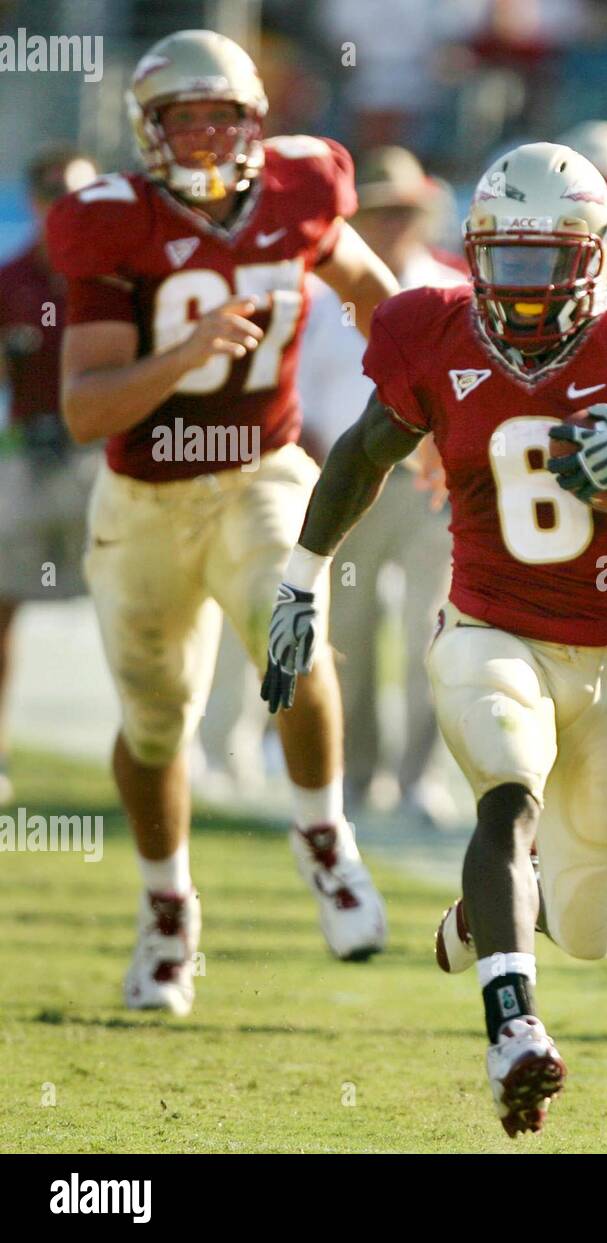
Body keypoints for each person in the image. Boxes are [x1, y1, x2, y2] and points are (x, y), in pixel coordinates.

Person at [261, 143, 607, 1135]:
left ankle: (483, 913)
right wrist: (301, 577)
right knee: (507, 798)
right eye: (502, 261)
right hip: (488, 624)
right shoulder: (432, 327)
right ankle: (513, 1025)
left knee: (593, 925)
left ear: (598, 257)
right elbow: (361, 453)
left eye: (542, 263)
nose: (518, 291)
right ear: (472, 252)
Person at [47, 30, 397, 1017]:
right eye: (181, 120)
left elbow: (376, 297)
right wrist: (187, 350)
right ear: (147, 132)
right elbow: (87, 408)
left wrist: (424, 404)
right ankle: (168, 911)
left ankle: (324, 839)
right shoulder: (111, 223)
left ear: (255, 124)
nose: (203, 138)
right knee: (156, 726)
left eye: (220, 118)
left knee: (292, 627)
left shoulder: (299, 191)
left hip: (260, 468)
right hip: (146, 495)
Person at [297, 146, 466, 823]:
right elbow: (301, 397)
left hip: (429, 484)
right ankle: (362, 775)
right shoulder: (319, 293)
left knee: (435, 632)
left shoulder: (453, 287)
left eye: (404, 210)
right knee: (355, 634)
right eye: (380, 211)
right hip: (349, 481)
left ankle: (419, 775)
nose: (394, 223)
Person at [0, 146, 98, 805]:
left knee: (144, 607)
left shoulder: (120, 275)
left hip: (105, 456)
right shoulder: (11, 280)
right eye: (56, 194)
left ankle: (161, 747)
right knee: (2, 605)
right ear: (36, 201)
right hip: (30, 453)